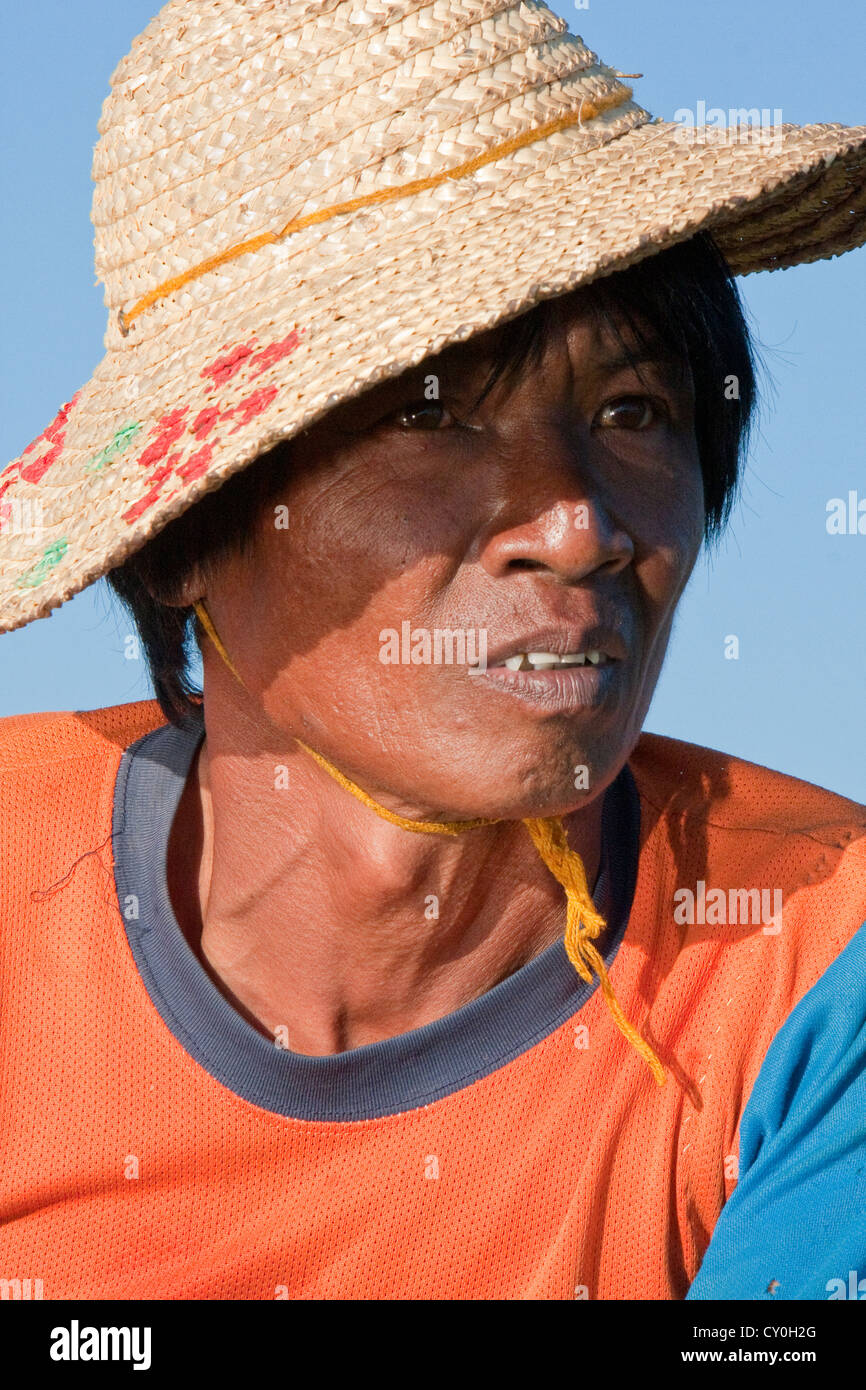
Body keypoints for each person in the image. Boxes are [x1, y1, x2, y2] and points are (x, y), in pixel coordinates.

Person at [0, 0, 864, 1301]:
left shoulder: (813, 966)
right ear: (180, 537)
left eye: (632, 409)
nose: (578, 526)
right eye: (431, 417)